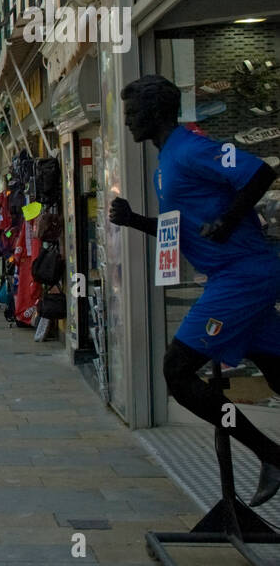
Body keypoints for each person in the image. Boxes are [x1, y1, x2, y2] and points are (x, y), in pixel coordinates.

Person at [110, 74, 280, 506]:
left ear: (153, 113)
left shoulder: (190, 149)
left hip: (241, 276)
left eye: (132, 113)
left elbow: (260, 171)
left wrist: (227, 221)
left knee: (178, 372)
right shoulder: (166, 163)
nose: (127, 121)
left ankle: (270, 454)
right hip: (235, 278)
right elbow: (178, 233)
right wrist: (134, 221)